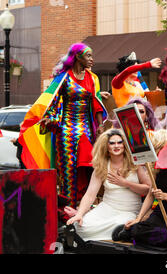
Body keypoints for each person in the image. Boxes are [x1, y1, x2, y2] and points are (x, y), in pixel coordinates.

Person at [19, 43, 107, 208]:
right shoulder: (63, 77)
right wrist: (49, 118)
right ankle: (67, 208)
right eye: (88, 56)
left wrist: (101, 125)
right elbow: (51, 101)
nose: (92, 59)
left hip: (87, 130)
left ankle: (85, 206)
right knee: (68, 171)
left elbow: (97, 102)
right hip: (66, 130)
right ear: (78, 57)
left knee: (89, 167)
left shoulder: (93, 78)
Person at [111, 129, 167, 248]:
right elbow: (150, 195)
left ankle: (130, 233)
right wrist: (138, 218)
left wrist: (164, 196)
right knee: (140, 228)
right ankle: (133, 231)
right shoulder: (157, 169)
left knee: (166, 234)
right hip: (160, 214)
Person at [65, 129, 151, 241]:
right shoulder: (101, 166)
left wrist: (125, 183)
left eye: (120, 142)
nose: (116, 146)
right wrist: (79, 214)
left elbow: (148, 189)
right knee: (81, 227)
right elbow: (90, 195)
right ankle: (117, 234)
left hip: (129, 211)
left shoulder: (135, 164)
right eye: (112, 143)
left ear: (125, 145)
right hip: (107, 208)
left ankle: (120, 232)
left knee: (120, 224)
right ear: (106, 146)